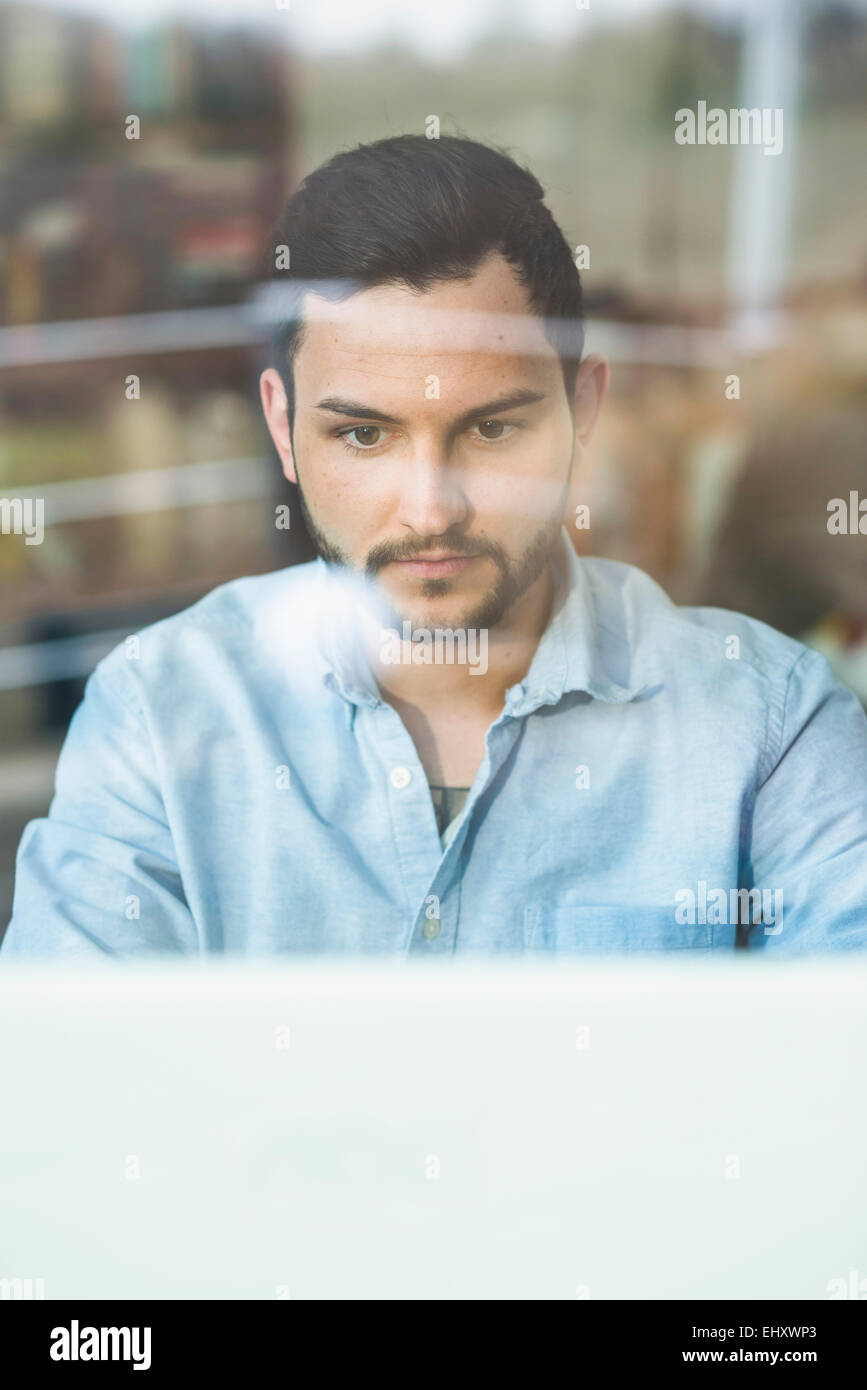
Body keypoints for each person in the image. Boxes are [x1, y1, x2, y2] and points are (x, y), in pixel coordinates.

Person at [4, 134, 867, 956]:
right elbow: (74, 1088)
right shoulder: (160, 716)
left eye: (491, 429)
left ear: (585, 412)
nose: (430, 510)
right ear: (281, 425)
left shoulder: (767, 730)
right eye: (365, 437)